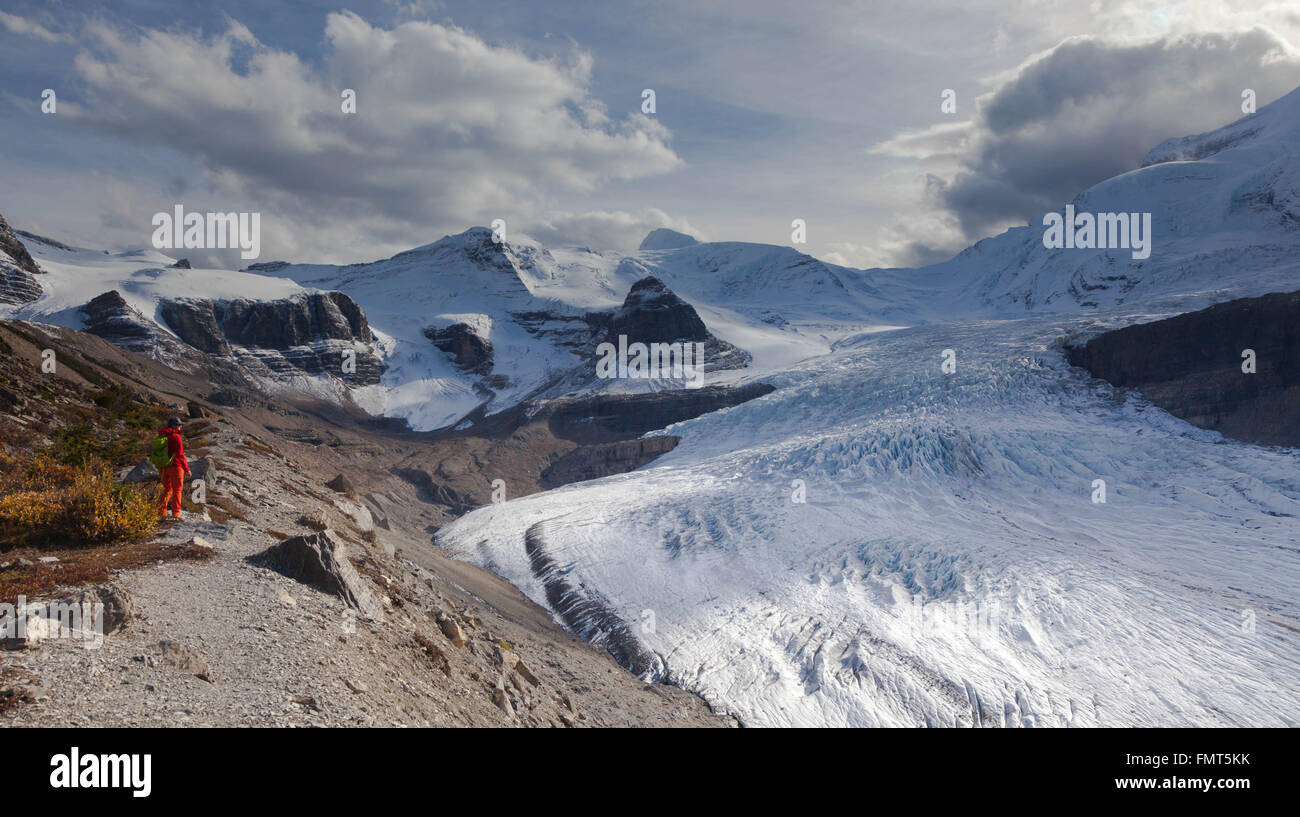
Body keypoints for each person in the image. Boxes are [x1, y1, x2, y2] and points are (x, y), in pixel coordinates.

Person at [154, 417, 191, 519]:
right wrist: (187, 469)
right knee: (177, 490)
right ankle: (175, 514)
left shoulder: (161, 435)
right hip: (175, 466)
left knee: (167, 489)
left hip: (162, 467)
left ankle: (161, 512)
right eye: (179, 425)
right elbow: (180, 455)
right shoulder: (175, 437)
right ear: (174, 426)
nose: (181, 427)